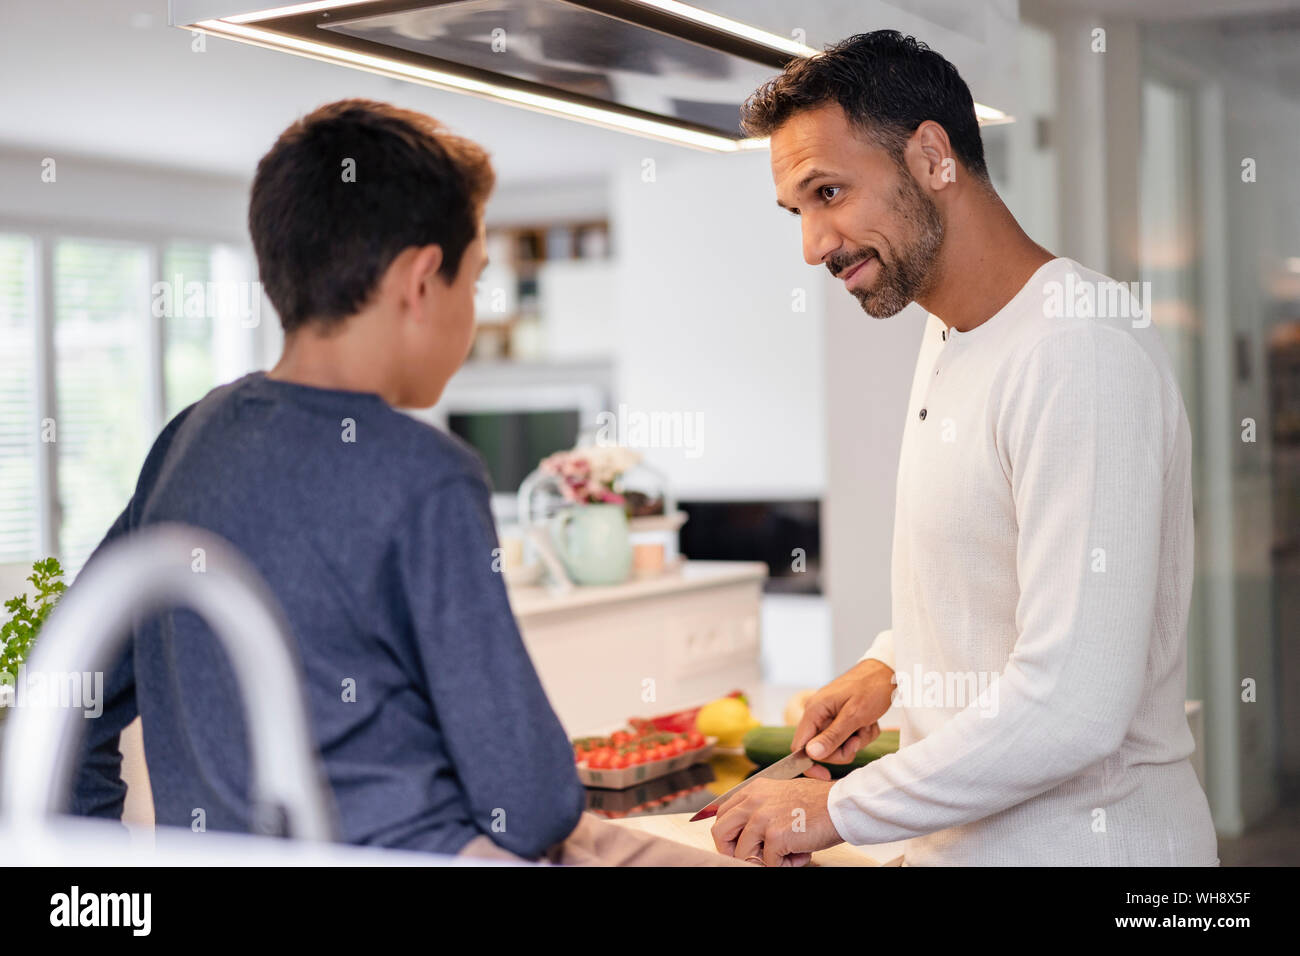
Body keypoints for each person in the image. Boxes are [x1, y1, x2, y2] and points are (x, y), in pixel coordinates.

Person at [69, 99, 746, 867]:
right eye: (476, 279)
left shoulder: (186, 439)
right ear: (423, 280)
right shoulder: (426, 472)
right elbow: (530, 805)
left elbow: (68, 691)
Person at [709, 31, 1219, 866]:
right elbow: (991, 575)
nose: (813, 243)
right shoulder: (953, 331)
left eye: (828, 192)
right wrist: (890, 665)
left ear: (933, 157)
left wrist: (834, 807)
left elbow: (1071, 705)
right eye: (798, 210)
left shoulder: (1076, 353)